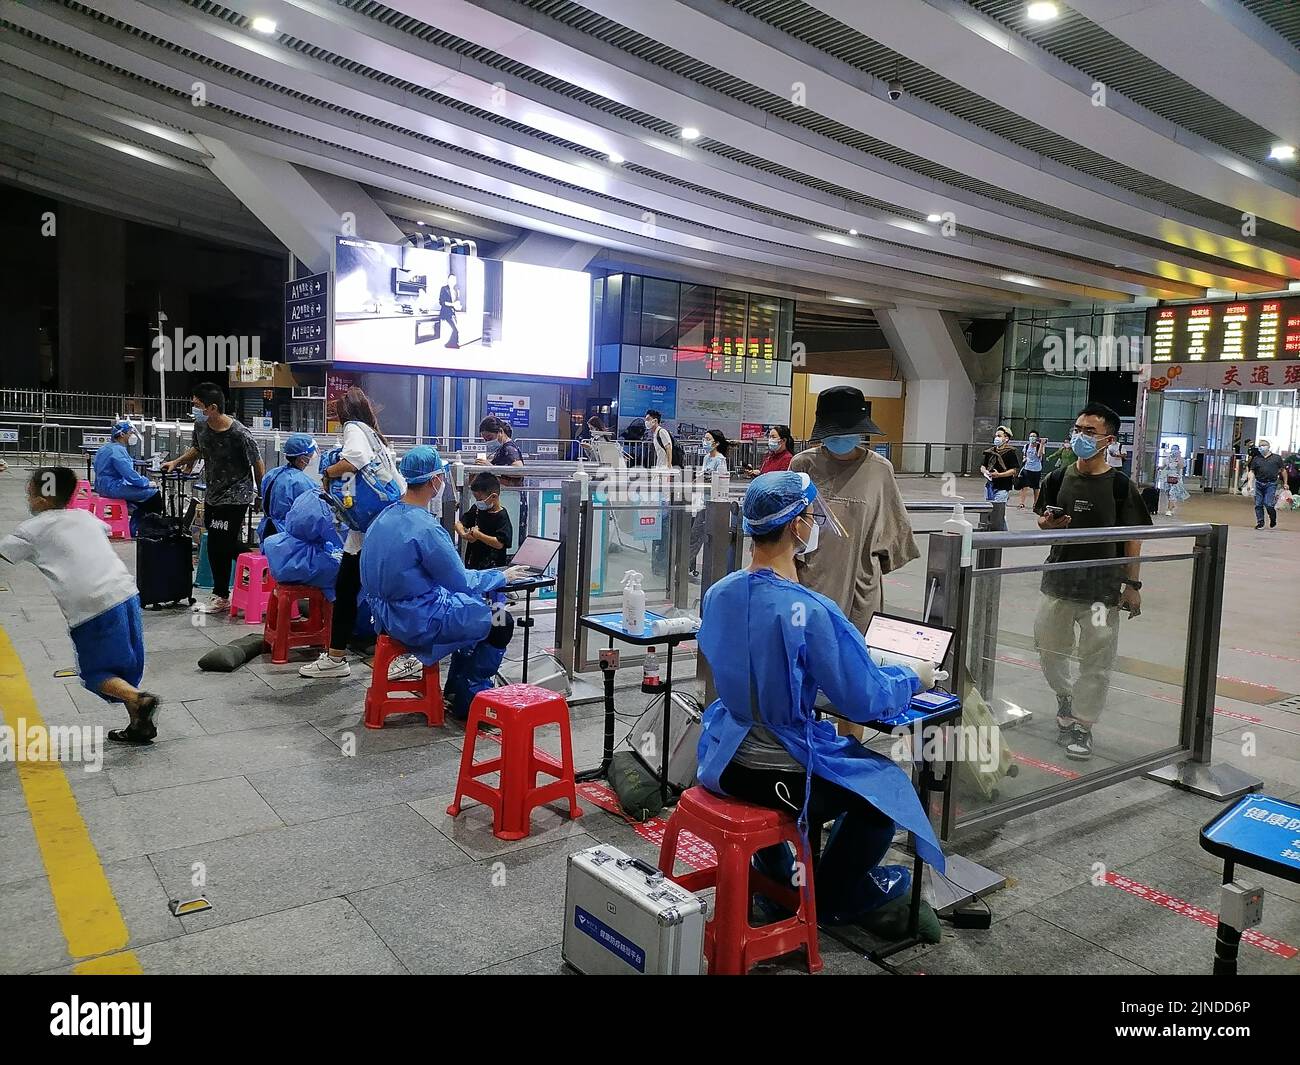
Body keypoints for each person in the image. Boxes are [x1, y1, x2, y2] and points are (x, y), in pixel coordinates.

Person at [696, 471, 943, 925]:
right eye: (812, 517)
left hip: (721, 756)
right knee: (883, 791)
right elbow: (865, 699)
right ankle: (827, 896)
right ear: (798, 527)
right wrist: (914, 676)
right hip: (774, 769)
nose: (814, 525)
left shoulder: (717, 593)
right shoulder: (812, 610)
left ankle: (776, 878)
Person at [362, 446, 530, 719]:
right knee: (500, 620)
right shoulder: (426, 529)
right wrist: (501, 576)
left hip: (386, 615)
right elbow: (460, 580)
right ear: (433, 481)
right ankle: (470, 702)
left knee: (475, 610)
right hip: (419, 619)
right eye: (441, 475)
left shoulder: (384, 517)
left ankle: (454, 690)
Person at [0, 468, 160, 744]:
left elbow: (5, 552)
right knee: (124, 668)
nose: (27, 497)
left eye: (30, 492)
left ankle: (139, 700)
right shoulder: (85, 517)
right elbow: (106, 528)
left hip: (92, 607)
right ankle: (139, 725)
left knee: (95, 673)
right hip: (125, 593)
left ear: (41, 499)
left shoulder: (31, 530)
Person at [1034, 402, 1150, 761]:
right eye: (1078, 429)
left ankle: (1083, 726)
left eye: (1090, 432)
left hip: (1102, 589)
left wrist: (1132, 585)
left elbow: (1133, 538)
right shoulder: (1056, 478)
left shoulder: (1120, 486)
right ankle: (1065, 697)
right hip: (1058, 581)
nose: (1080, 436)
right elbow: (1042, 521)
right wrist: (1048, 525)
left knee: (1096, 660)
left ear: (1108, 440)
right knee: (1049, 650)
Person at [299, 387, 404, 679]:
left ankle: (348, 657)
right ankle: (346, 656)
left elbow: (353, 461)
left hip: (369, 528)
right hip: (371, 527)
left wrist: (327, 472)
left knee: (353, 591)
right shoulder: (373, 433)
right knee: (357, 589)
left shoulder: (354, 429)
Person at [162, 382, 264, 615]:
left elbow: (257, 462)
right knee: (217, 542)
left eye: (198, 405)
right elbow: (198, 449)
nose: (194, 408)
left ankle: (226, 592)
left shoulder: (239, 434)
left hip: (236, 495)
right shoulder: (200, 426)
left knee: (221, 542)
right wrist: (177, 462)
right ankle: (257, 563)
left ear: (213, 407)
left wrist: (261, 493)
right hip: (214, 494)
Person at [92, 419, 162, 536]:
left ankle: (135, 529)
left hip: (102, 486)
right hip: (113, 488)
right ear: (122, 434)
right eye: (130, 433)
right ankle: (150, 531)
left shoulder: (105, 448)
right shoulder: (118, 450)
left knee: (141, 501)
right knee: (153, 495)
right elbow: (130, 475)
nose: (132, 435)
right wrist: (146, 482)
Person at [257, 433, 317, 542]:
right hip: (286, 535)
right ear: (302, 459)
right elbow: (311, 513)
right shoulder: (300, 482)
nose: (313, 456)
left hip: (267, 531)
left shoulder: (273, 473)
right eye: (311, 454)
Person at [688, 429, 729, 578]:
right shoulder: (706, 457)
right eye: (704, 438)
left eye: (708, 439)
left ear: (716, 443)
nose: (704, 441)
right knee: (695, 534)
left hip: (712, 503)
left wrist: (705, 479)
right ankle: (688, 564)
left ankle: (687, 565)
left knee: (697, 534)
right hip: (702, 501)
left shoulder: (720, 460)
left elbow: (721, 481)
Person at [455, 471, 513, 569]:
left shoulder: (502, 516)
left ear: (494, 496)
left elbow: (499, 544)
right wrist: (464, 535)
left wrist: (479, 535)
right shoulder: (477, 510)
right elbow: (459, 523)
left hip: (493, 568)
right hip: (473, 564)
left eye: (480, 499)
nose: (478, 502)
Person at [1249, 439, 1288, 530]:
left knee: (1268, 504)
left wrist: (1285, 483)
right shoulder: (1256, 459)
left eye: (1263, 445)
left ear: (1269, 447)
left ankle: (1273, 518)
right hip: (1259, 483)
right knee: (1258, 504)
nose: (1261, 447)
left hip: (1271, 483)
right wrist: (1250, 483)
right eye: (1260, 445)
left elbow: (1283, 470)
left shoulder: (1276, 458)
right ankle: (1260, 522)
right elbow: (1252, 471)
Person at [980, 425, 1019, 503]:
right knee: (988, 510)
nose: (996, 438)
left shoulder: (1010, 452)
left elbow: (1013, 470)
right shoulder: (990, 451)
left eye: (999, 436)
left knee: (998, 510)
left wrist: (999, 475)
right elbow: (983, 466)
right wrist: (985, 471)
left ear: (1006, 438)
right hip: (990, 486)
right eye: (996, 436)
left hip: (1003, 486)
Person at [1015, 430, 1045, 509]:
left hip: (1036, 469)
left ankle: (1036, 503)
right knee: (1024, 486)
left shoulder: (1039, 446)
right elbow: (1024, 455)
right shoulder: (1026, 446)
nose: (1032, 438)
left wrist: (1041, 444)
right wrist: (1024, 459)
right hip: (1027, 468)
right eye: (1031, 436)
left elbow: (1039, 456)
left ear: (1037, 438)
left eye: (1034, 436)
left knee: (1036, 487)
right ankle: (1022, 503)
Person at [1159, 444, 1190, 517]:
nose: (1174, 450)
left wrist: (1178, 457)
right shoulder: (1167, 458)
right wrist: (1159, 468)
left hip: (1176, 479)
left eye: (1175, 449)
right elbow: (1164, 466)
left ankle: (1169, 510)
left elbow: (1181, 466)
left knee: (1172, 493)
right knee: (1168, 493)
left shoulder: (1181, 459)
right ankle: (1172, 505)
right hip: (1167, 478)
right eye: (1172, 449)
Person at [433, 272, 461, 348]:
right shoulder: (444, 289)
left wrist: (458, 305)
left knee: (455, 329)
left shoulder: (456, 290)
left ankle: (450, 344)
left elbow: (457, 300)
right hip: (446, 312)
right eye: (451, 279)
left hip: (453, 312)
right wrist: (452, 304)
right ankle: (454, 344)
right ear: (448, 280)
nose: (452, 281)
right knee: (456, 329)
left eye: (454, 279)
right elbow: (441, 302)